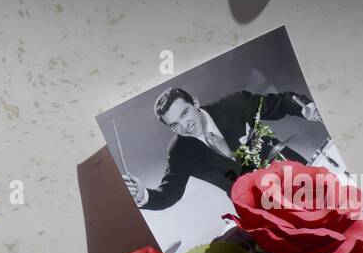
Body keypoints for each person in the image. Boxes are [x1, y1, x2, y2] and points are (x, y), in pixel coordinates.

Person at [124, 87, 322, 210]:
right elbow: (169, 194)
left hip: (295, 175)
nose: (185, 125)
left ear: (196, 103)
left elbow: (281, 103)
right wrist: (142, 194)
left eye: (185, 113)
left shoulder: (235, 104)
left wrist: (306, 108)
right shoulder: (179, 153)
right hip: (259, 209)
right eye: (175, 124)